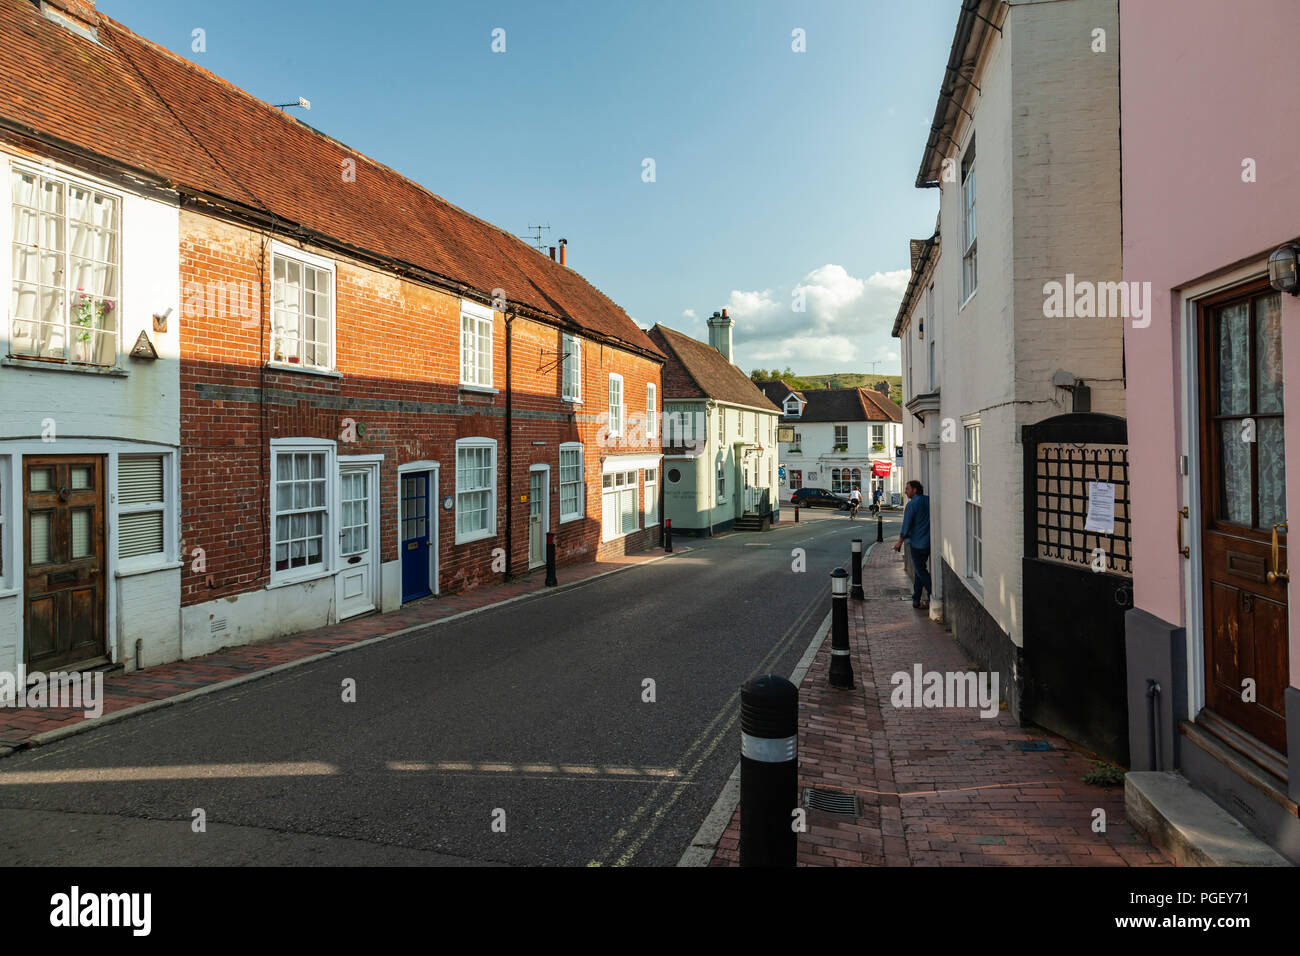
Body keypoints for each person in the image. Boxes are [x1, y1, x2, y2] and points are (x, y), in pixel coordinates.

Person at [893, 479, 931, 610]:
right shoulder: (928, 500)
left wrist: (899, 543)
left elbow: (906, 526)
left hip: (917, 543)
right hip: (928, 542)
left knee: (921, 571)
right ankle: (916, 599)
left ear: (915, 490)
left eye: (907, 489)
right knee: (919, 571)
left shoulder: (911, 504)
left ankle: (934, 596)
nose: (905, 491)